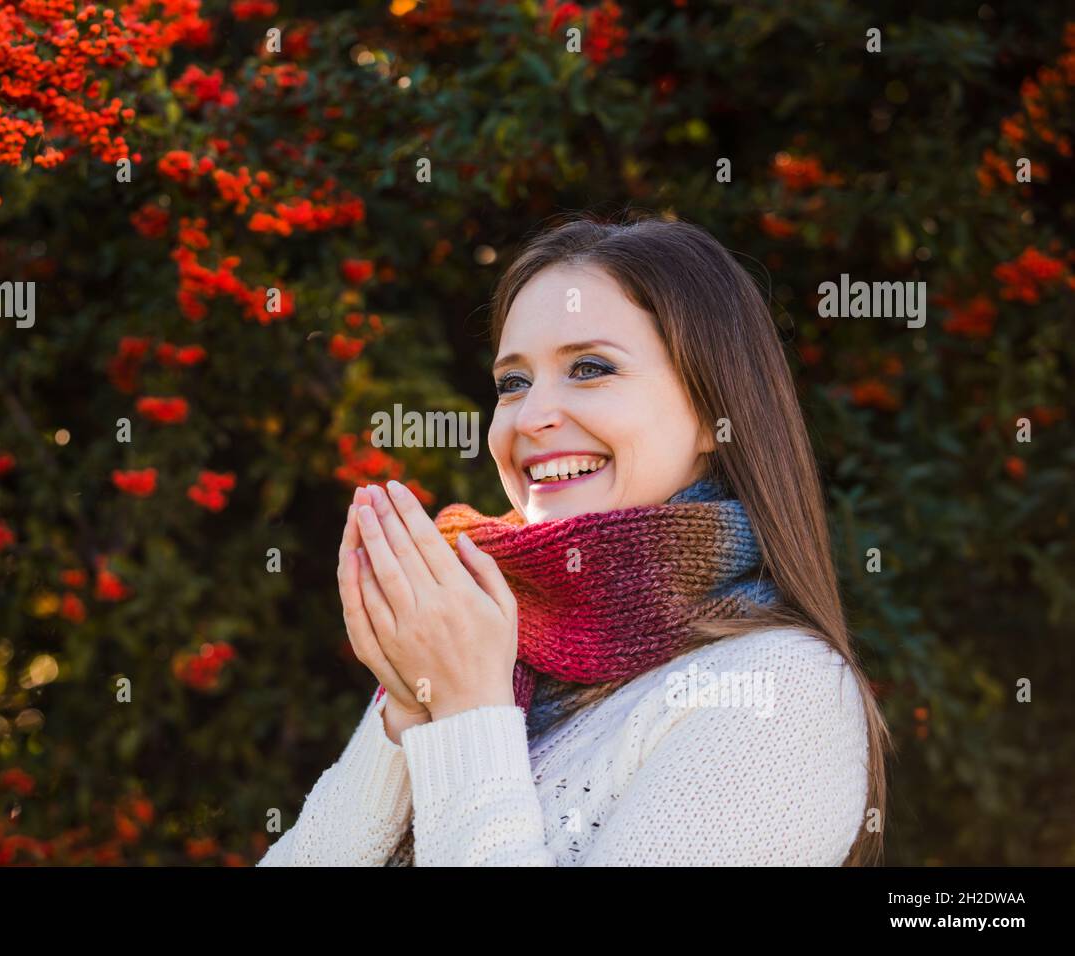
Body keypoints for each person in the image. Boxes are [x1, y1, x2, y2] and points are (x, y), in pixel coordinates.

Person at [257, 213, 890, 867]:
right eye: (513, 383)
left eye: (589, 368)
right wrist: (411, 713)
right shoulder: (483, 638)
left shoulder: (779, 693)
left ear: (714, 413)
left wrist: (467, 712)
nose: (532, 417)